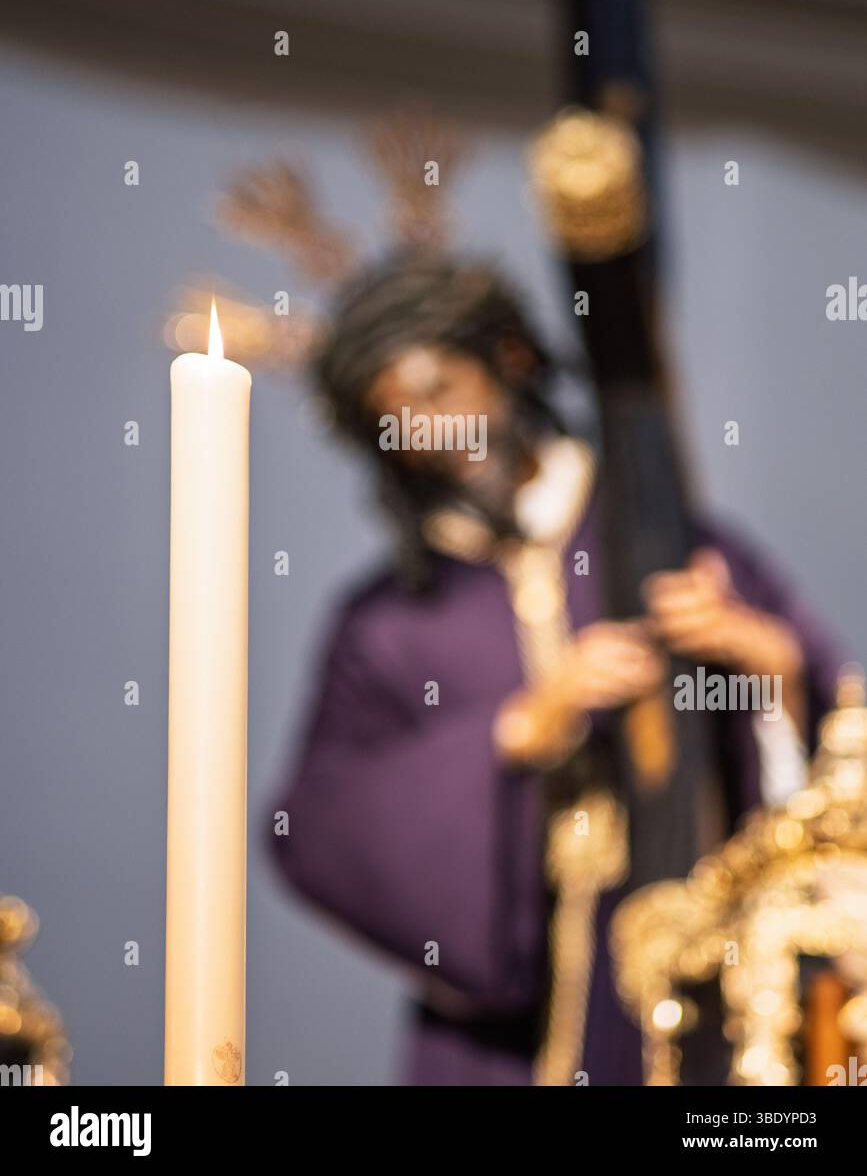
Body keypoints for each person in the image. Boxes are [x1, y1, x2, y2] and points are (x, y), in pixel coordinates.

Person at [267, 256, 841, 1086]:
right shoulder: (386, 622)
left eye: (439, 392)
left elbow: (827, 773)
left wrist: (769, 669)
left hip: (690, 987)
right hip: (502, 1037)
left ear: (509, 360)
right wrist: (510, 733)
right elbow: (318, 825)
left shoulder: (670, 542)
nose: (431, 435)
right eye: (396, 420)